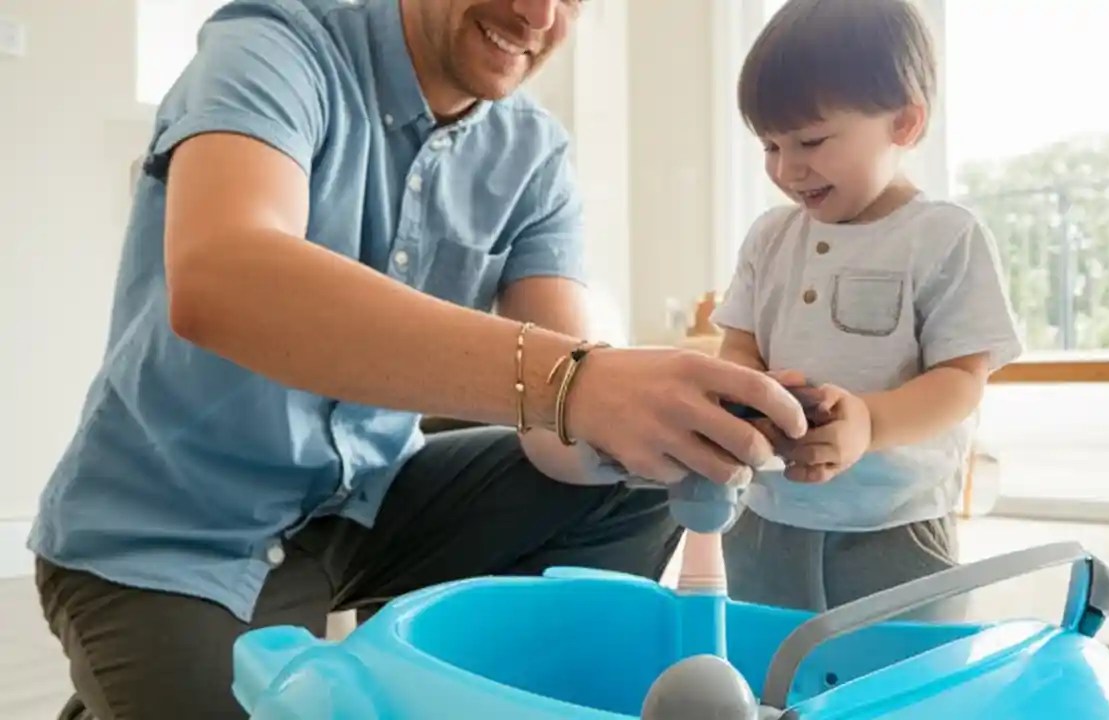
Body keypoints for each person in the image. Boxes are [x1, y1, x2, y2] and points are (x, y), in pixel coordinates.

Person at [27, 1, 808, 717]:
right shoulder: (275, 46)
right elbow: (222, 279)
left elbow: (557, 434)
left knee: (631, 482)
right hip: (169, 536)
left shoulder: (531, 151)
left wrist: (667, 412)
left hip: (363, 509)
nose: (538, 14)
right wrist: (577, 377)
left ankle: (449, 680)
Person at [681, 0, 1024, 615]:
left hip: (896, 523)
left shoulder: (945, 236)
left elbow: (962, 381)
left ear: (905, 123)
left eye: (811, 140)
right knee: (771, 676)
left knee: (900, 688)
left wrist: (870, 422)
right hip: (767, 516)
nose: (788, 169)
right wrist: (749, 391)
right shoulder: (769, 236)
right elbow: (741, 344)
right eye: (770, 146)